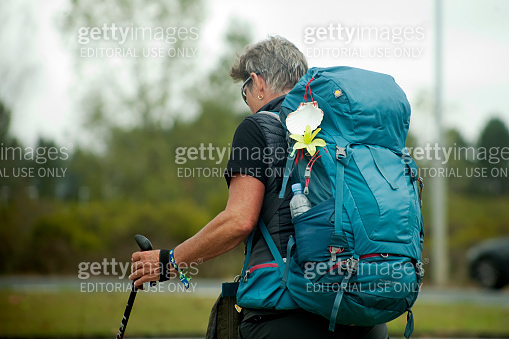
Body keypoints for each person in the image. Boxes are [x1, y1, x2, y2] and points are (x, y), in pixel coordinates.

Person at [129, 36, 388, 339]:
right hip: (365, 315)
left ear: (258, 82)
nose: (249, 101)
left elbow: (239, 220)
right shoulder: (347, 132)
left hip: (287, 314)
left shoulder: (258, 127)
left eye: (245, 91)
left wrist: (168, 261)